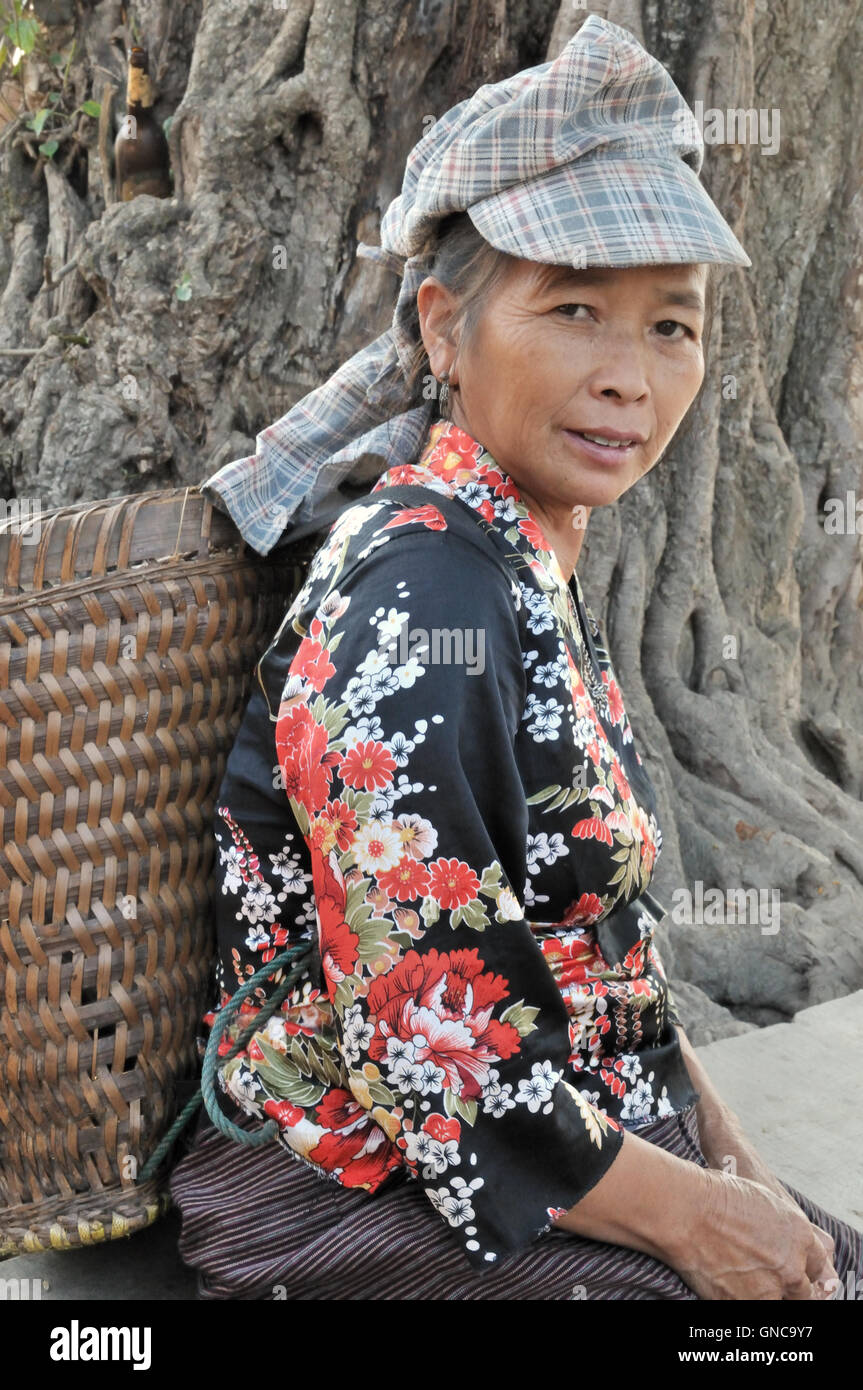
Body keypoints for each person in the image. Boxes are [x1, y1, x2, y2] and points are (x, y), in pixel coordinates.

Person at [169, 15, 862, 1300]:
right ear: (442, 328)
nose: (628, 377)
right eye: (575, 309)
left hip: (561, 1126)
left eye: (671, 325)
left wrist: (740, 1173)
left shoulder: (518, 550)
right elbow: (438, 1052)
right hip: (352, 1179)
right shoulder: (415, 597)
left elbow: (602, 942)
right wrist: (699, 1222)